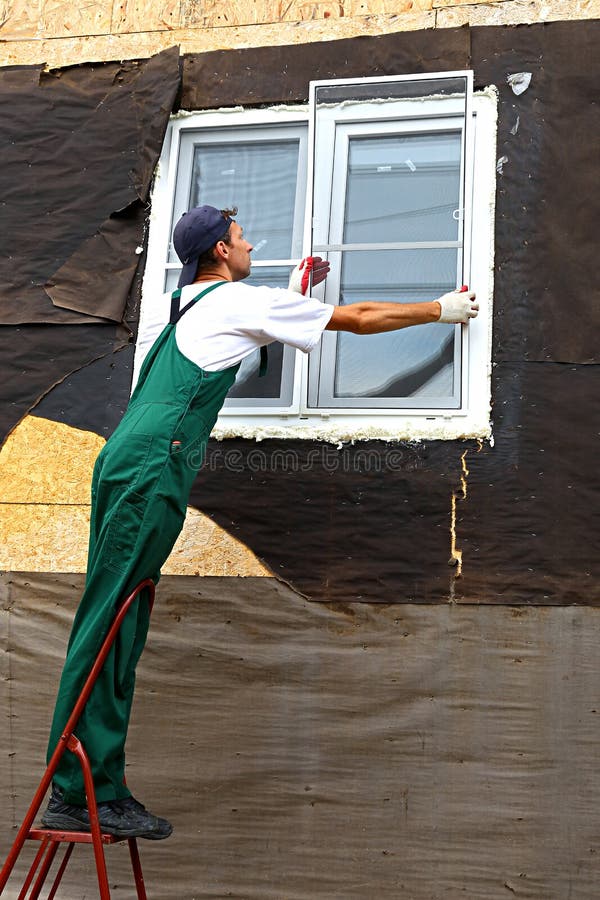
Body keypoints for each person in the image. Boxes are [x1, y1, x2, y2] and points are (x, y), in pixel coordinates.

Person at [42, 205, 478, 840]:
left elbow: (237, 338)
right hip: (152, 468)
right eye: (242, 239)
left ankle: (95, 785)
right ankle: (76, 790)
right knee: (110, 623)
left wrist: (295, 297)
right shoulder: (234, 300)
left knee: (117, 618)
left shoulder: (182, 303)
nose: (250, 247)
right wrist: (440, 310)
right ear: (221, 250)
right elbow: (357, 321)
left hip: (126, 460)